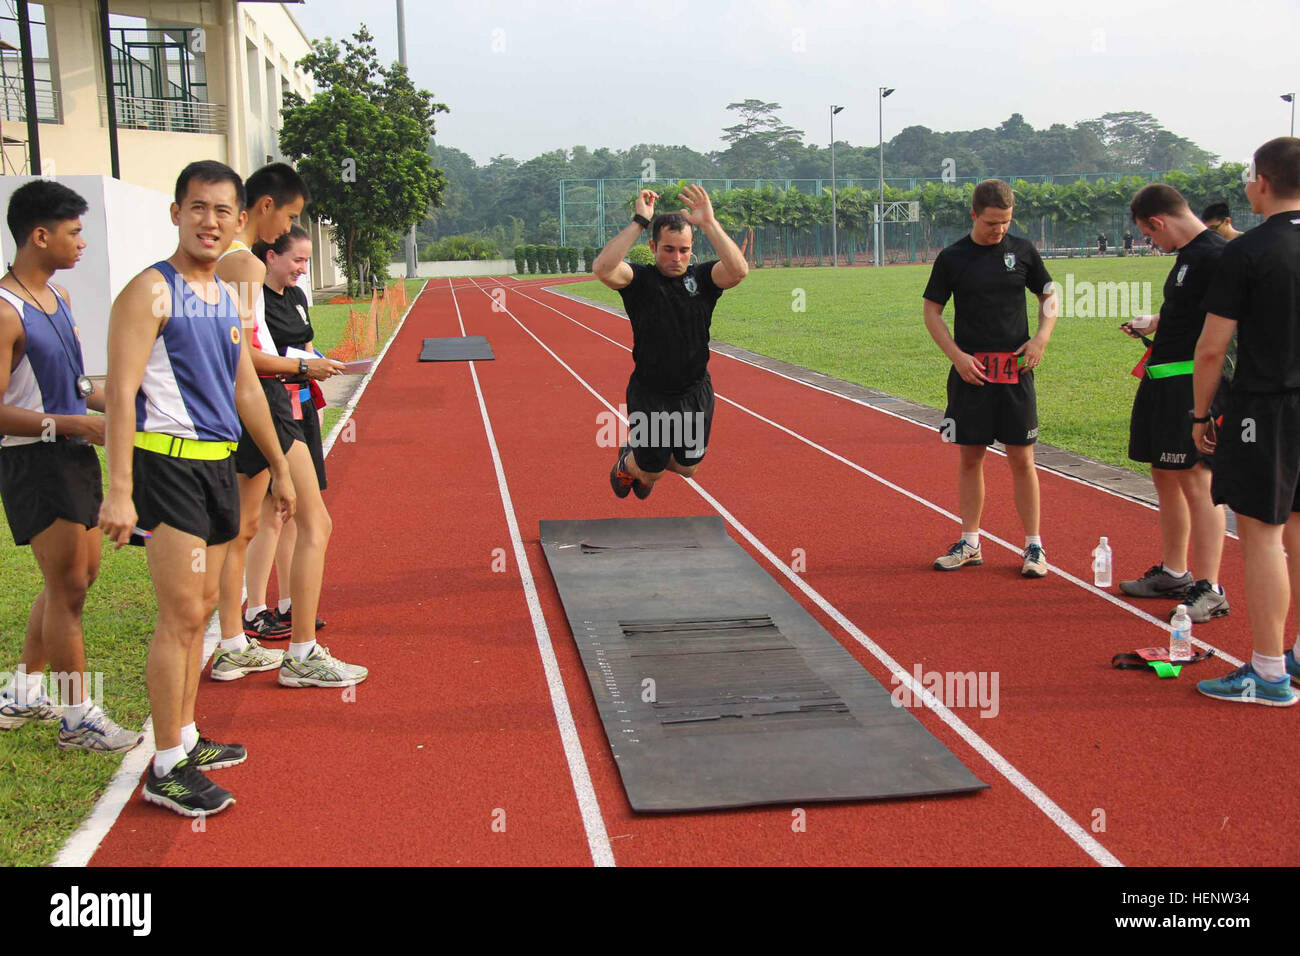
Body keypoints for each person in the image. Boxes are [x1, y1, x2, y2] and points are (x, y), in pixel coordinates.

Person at [99, 160, 297, 816]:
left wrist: (281, 466)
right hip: (166, 465)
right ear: (176, 213)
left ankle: (184, 738)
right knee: (181, 615)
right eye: (196, 208)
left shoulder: (224, 296)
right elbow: (121, 394)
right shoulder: (149, 293)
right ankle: (163, 766)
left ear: (239, 222)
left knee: (207, 608)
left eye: (221, 211)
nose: (208, 221)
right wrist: (120, 491)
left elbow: (245, 386)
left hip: (217, 466)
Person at [0, 180, 140, 752]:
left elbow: (75, 387)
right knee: (68, 588)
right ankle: (76, 716)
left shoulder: (57, 300)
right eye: (74, 231)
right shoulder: (6, 310)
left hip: (73, 454)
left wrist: (129, 405)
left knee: (77, 581)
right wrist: (72, 425)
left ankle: (23, 689)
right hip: (34, 460)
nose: (82, 242)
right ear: (40, 235)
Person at [211, 163, 357, 688]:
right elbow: (246, 357)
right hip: (267, 403)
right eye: (292, 216)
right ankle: (302, 652)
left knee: (243, 529)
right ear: (267, 206)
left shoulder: (221, 265)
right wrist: (302, 366)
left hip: (245, 407)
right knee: (314, 523)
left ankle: (231, 644)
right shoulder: (245, 267)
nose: (289, 227)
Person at [1193, 137, 1300, 706]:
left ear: (1262, 181)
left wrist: (1200, 412)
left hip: (1269, 404)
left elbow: (1212, 349)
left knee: (1261, 535)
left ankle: (1268, 672)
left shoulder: (1249, 251)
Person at [923, 179, 1057, 577]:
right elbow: (932, 312)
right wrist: (957, 357)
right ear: (974, 215)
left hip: (1016, 374)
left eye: (1005, 223)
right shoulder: (953, 257)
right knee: (971, 458)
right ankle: (970, 542)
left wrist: (1041, 340)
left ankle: (1034, 547)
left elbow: (1049, 294)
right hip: (972, 375)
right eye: (992, 223)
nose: (999, 231)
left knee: (1023, 458)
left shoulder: (1023, 251)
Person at [592, 185, 748, 497]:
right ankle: (629, 462)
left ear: (691, 250)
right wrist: (639, 220)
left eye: (684, 250)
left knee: (688, 468)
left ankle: (644, 460)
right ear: (653, 246)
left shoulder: (703, 280)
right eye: (668, 249)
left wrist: (708, 224)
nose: (677, 257)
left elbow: (738, 270)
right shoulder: (639, 281)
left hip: (693, 390)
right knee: (652, 471)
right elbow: (603, 268)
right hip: (651, 394)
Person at [1119, 184, 1229, 623]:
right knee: (1163, 472)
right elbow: (1192, 312)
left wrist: (1206, 406)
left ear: (1157, 222)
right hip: (1162, 380)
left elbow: (1226, 322)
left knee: (1197, 481)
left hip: (1192, 385)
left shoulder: (1215, 256)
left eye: (1148, 236)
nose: (1151, 243)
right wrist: (1154, 321)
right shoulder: (1187, 256)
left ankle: (1210, 587)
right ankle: (1174, 572)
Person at [242, 225, 333, 636]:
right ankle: (254, 608)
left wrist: (319, 362)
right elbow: (254, 359)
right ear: (271, 257)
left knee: (294, 513)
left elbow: (305, 346)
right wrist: (301, 365)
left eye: (306, 261)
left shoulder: (296, 296)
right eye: (297, 260)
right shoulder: (252, 296)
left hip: (302, 406)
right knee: (270, 515)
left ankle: (290, 601)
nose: (302, 268)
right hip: (270, 408)